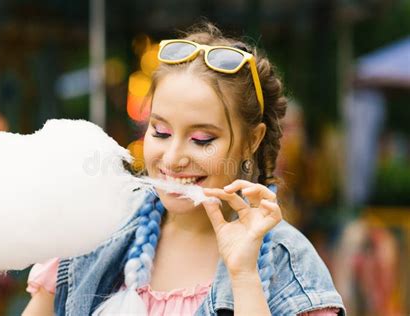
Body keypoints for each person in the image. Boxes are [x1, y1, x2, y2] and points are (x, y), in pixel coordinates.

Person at [22, 22, 345, 316]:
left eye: (202, 139)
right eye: (160, 132)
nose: (173, 157)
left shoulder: (291, 266)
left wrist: (245, 276)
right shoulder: (94, 233)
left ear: (252, 141)